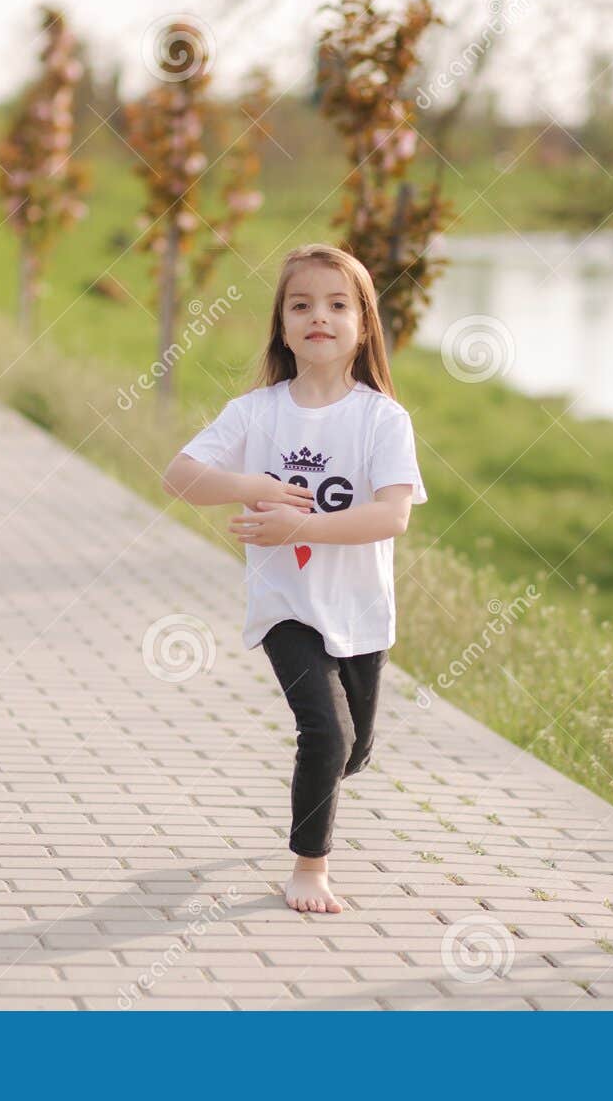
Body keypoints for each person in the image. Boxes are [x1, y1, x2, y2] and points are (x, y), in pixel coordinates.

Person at [161, 243, 427, 913]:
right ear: (281, 324)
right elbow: (180, 476)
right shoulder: (256, 412)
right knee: (325, 734)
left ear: (363, 323)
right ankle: (310, 866)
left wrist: (296, 527)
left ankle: (324, 787)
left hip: (360, 611)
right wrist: (251, 485)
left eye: (338, 305)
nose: (319, 316)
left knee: (354, 751)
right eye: (301, 304)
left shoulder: (382, 419)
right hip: (287, 606)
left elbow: (392, 515)